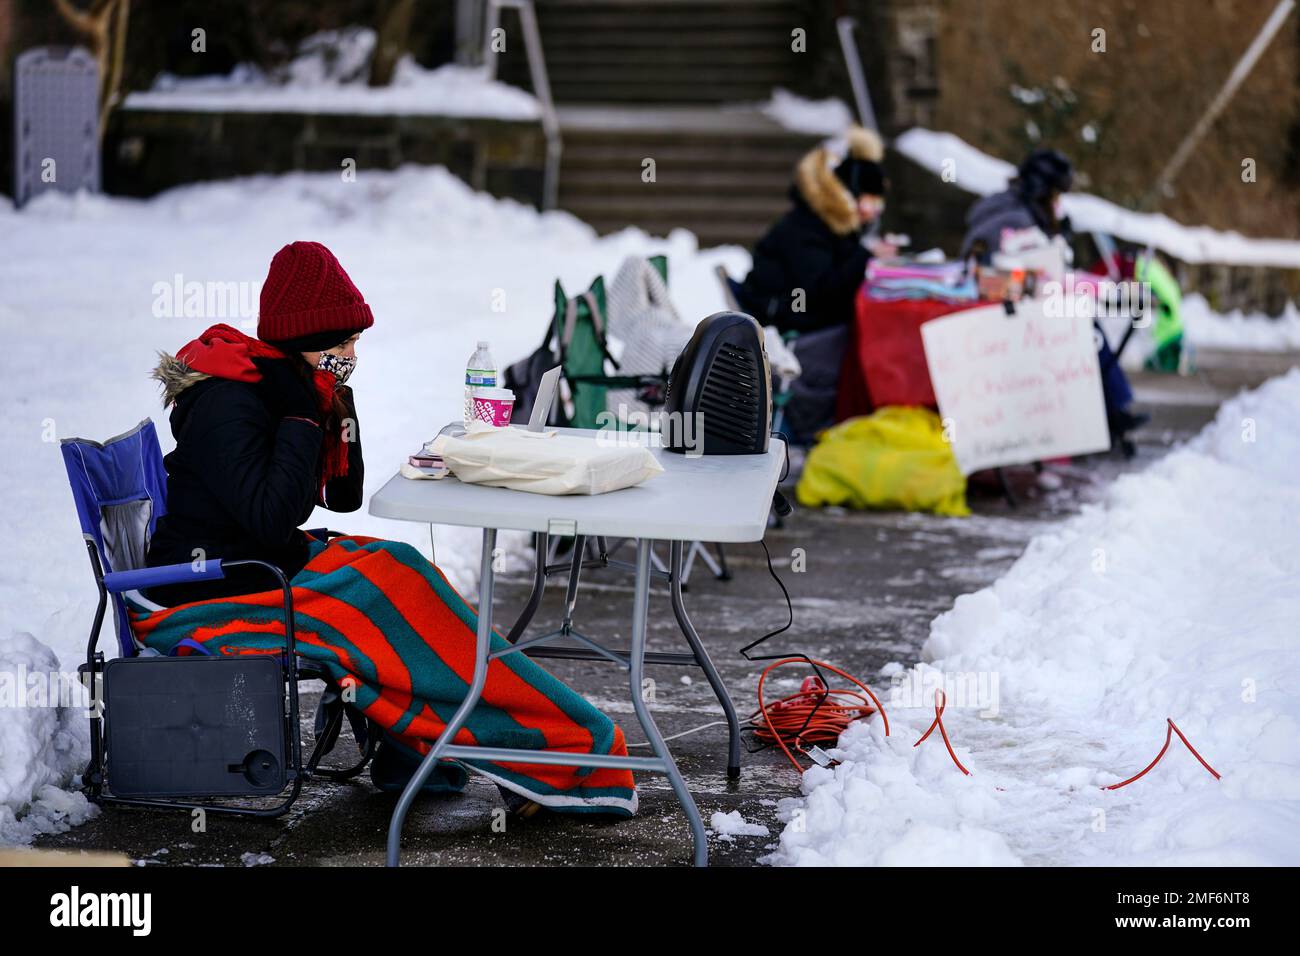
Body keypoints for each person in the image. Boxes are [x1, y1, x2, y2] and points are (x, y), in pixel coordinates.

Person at [137, 241, 637, 817]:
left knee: (409, 573)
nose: (353, 354)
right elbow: (273, 515)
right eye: (343, 343)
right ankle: (560, 753)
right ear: (307, 341)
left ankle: (431, 757)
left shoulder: (281, 386)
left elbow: (343, 499)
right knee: (402, 606)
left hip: (262, 562)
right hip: (215, 586)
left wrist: (334, 407)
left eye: (356, 342)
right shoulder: (229, 399)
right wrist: (303, 415)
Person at [961, 149, 1147, 440]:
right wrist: (1104, 290)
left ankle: (1110, 413)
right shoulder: (1016, 222)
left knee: (1083, 324)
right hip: (1003, 326)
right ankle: (1110, 414)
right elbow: (1044, 279)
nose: (1059, 205)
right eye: (1056, 196)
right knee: (1084, 329)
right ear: (1042, 192)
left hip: (1004, 315)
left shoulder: (1005, 211)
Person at [736, 125, 893, 442]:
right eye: (869, 201)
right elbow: (819, 293)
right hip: (790, 335)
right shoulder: (807, 230)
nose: (874, 211)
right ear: (847, 197)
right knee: (871, 343)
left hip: (795, 324)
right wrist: (866, 256)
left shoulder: (824, 223)